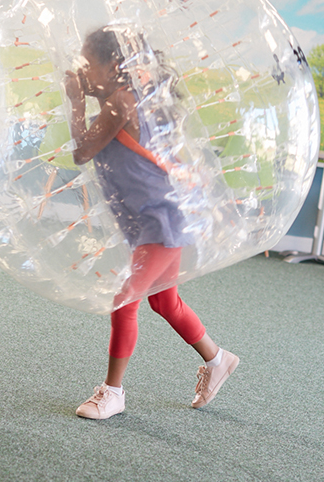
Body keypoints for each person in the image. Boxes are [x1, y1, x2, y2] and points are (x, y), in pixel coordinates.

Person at [63, 25, 239, 420]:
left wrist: (74, 99)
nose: (83, 71)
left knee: (124, 301)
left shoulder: (121, 103)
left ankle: (112, 392)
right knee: (165, 301)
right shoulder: (124, 97)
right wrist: (87, 88)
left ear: (113, 66)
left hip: (160, 221)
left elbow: (82, 151)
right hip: (156, 219)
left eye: (88, 63)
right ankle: (218, 359)